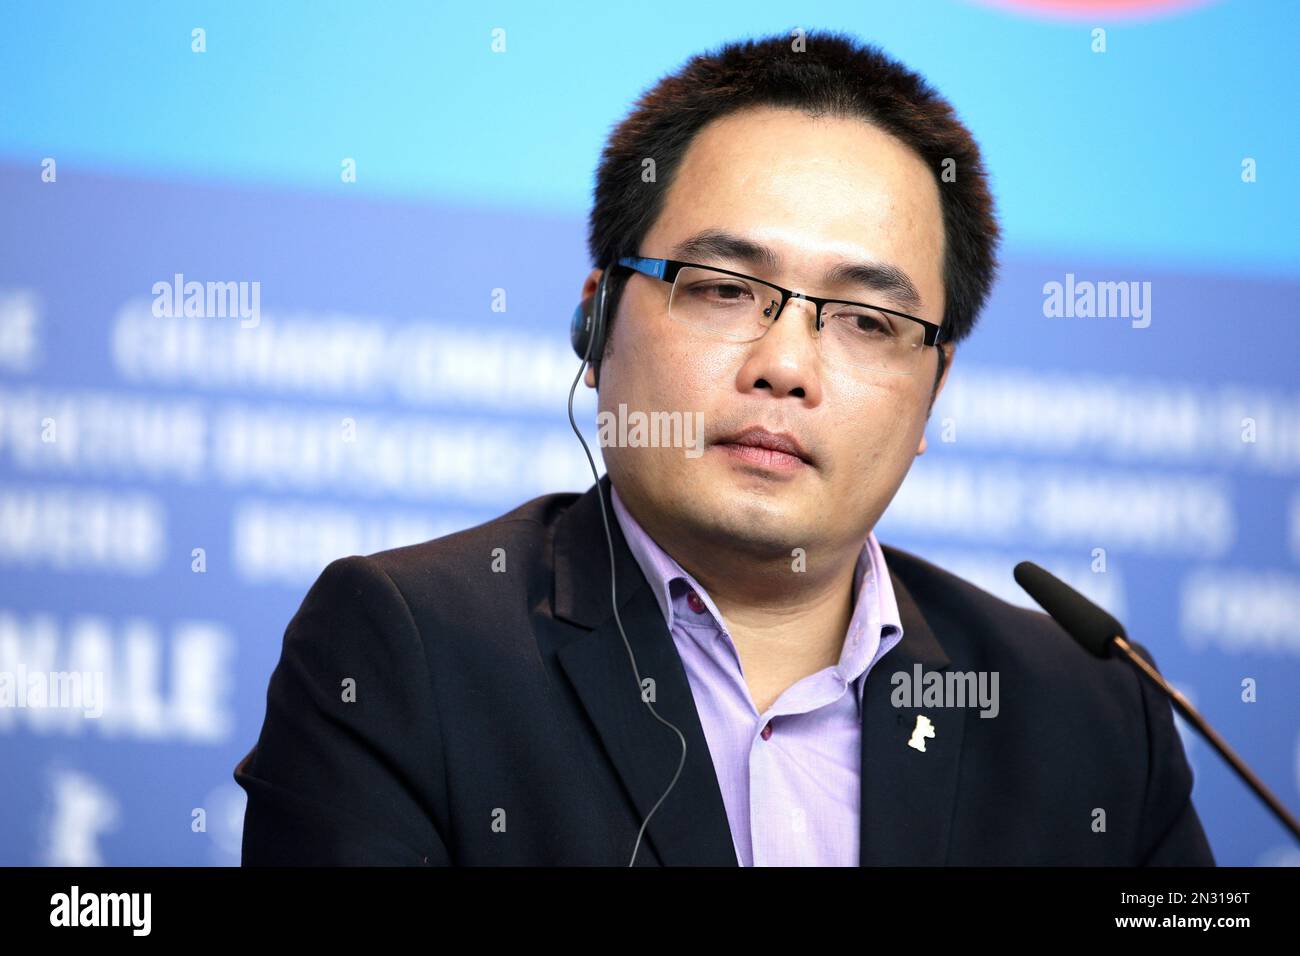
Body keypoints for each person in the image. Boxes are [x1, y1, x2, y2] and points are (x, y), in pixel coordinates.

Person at [234, 30, 1215, 866]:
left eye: (867, 321)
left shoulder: (1089, 714)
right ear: (596, 325)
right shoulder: (408, 648)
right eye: (723, 288)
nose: (785, 366)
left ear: (933, 392)